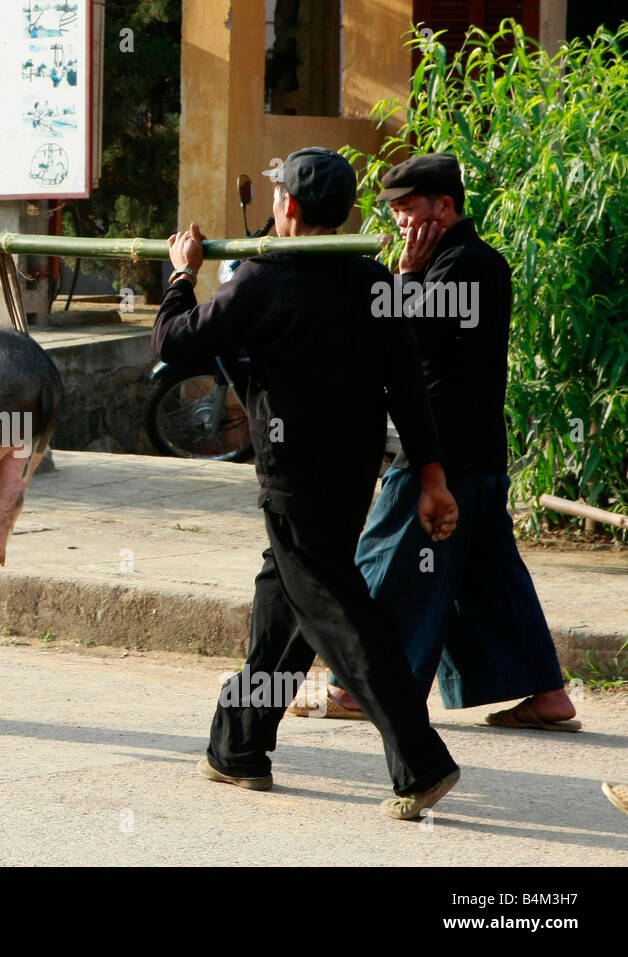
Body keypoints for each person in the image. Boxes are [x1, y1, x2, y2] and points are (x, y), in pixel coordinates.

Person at [152, 147, 462, 820]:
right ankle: (238, 743)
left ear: (287, 207)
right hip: (350, 477)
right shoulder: (371, 282)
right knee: (283, 602)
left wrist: (182, 274)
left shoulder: (265, 280)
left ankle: (420, 761)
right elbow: (407, 386)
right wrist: (432, 473)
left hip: (293, 482)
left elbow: (175, 340)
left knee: (340, 616)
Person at [293, 154, 578, 731]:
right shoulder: (472, 261)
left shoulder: (458, 269)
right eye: (393, 211)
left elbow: (392, 343)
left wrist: (405, 278)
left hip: (439, 457)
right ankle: (548, 695)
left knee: (383, 561)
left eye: (406, 209)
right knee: (488, 578)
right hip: (477, 456)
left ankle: (355, 687)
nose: (398, 222)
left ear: (443, 206)